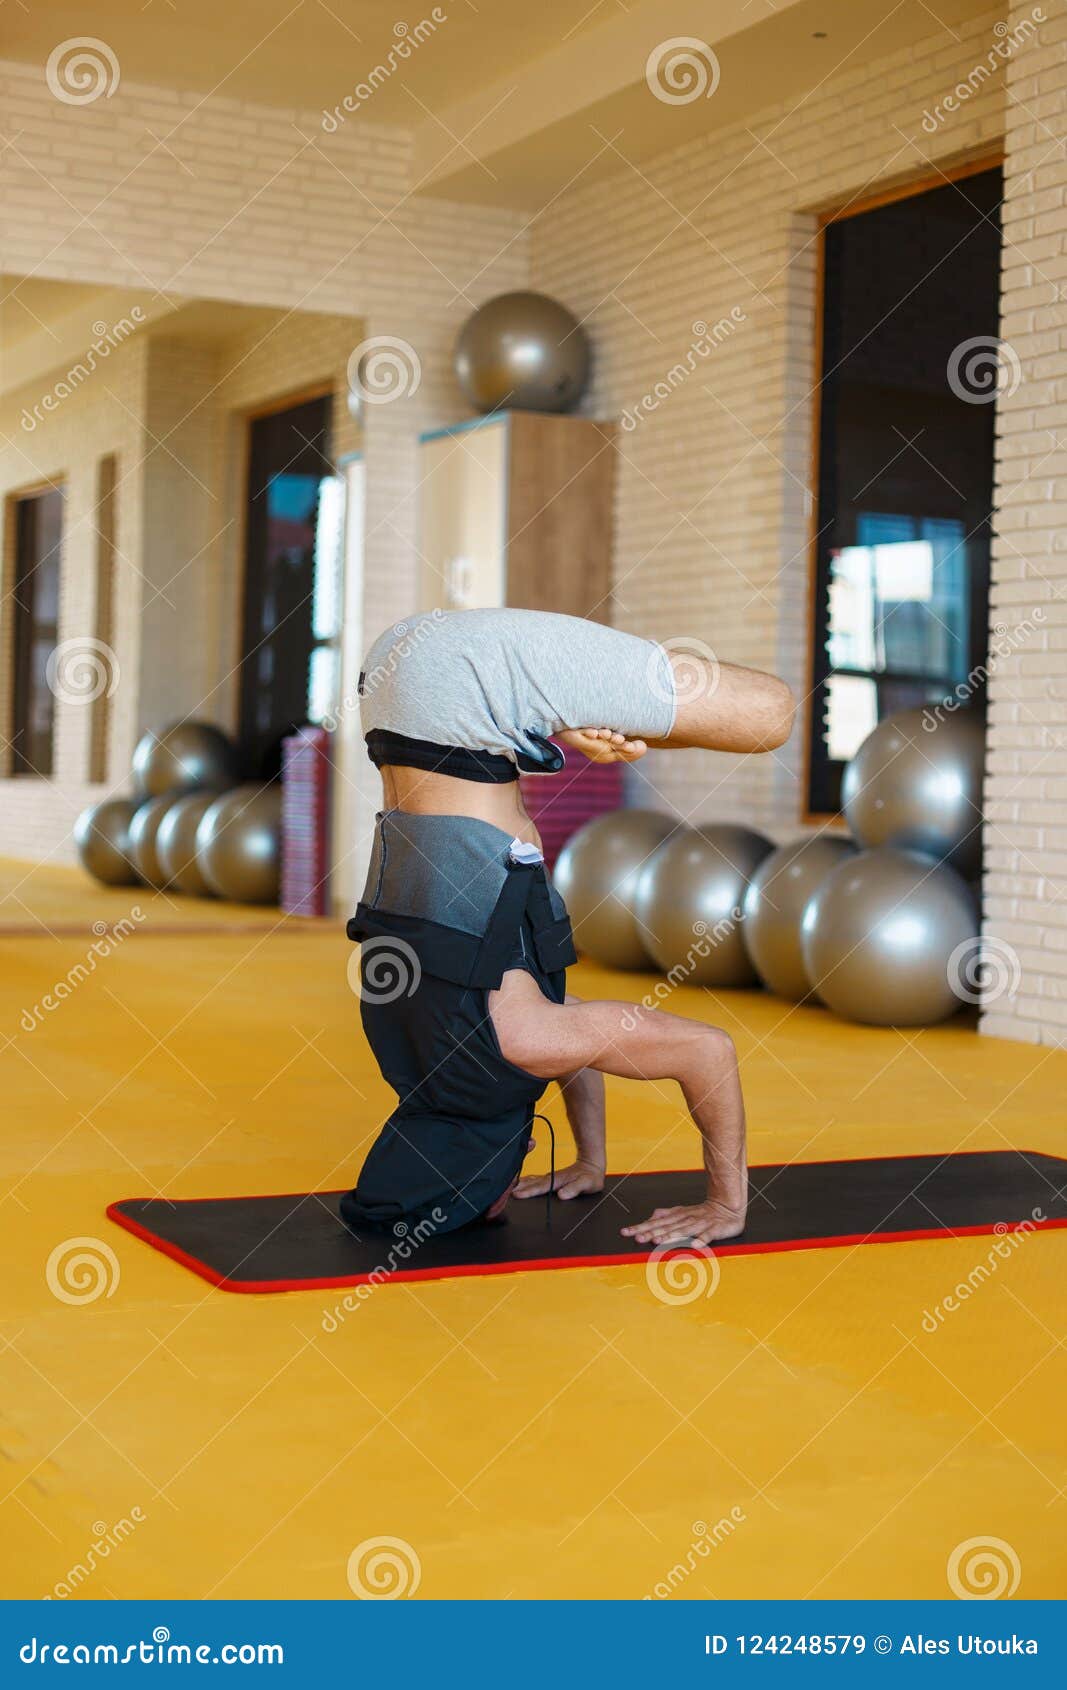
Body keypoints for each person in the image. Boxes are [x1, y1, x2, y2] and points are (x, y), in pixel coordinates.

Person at [341, 607, 794, 1248]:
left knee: (769, 715)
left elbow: (707, 1051)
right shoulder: (418, 1061)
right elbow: (566, 1032)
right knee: (625, 719)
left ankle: (556, 712)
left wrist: (724, 1202)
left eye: (491, 1195)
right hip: (405, 698)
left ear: (489, 1171)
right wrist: (590, 1161)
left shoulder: (524, 1044)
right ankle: (553, 717)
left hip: (463, 680)